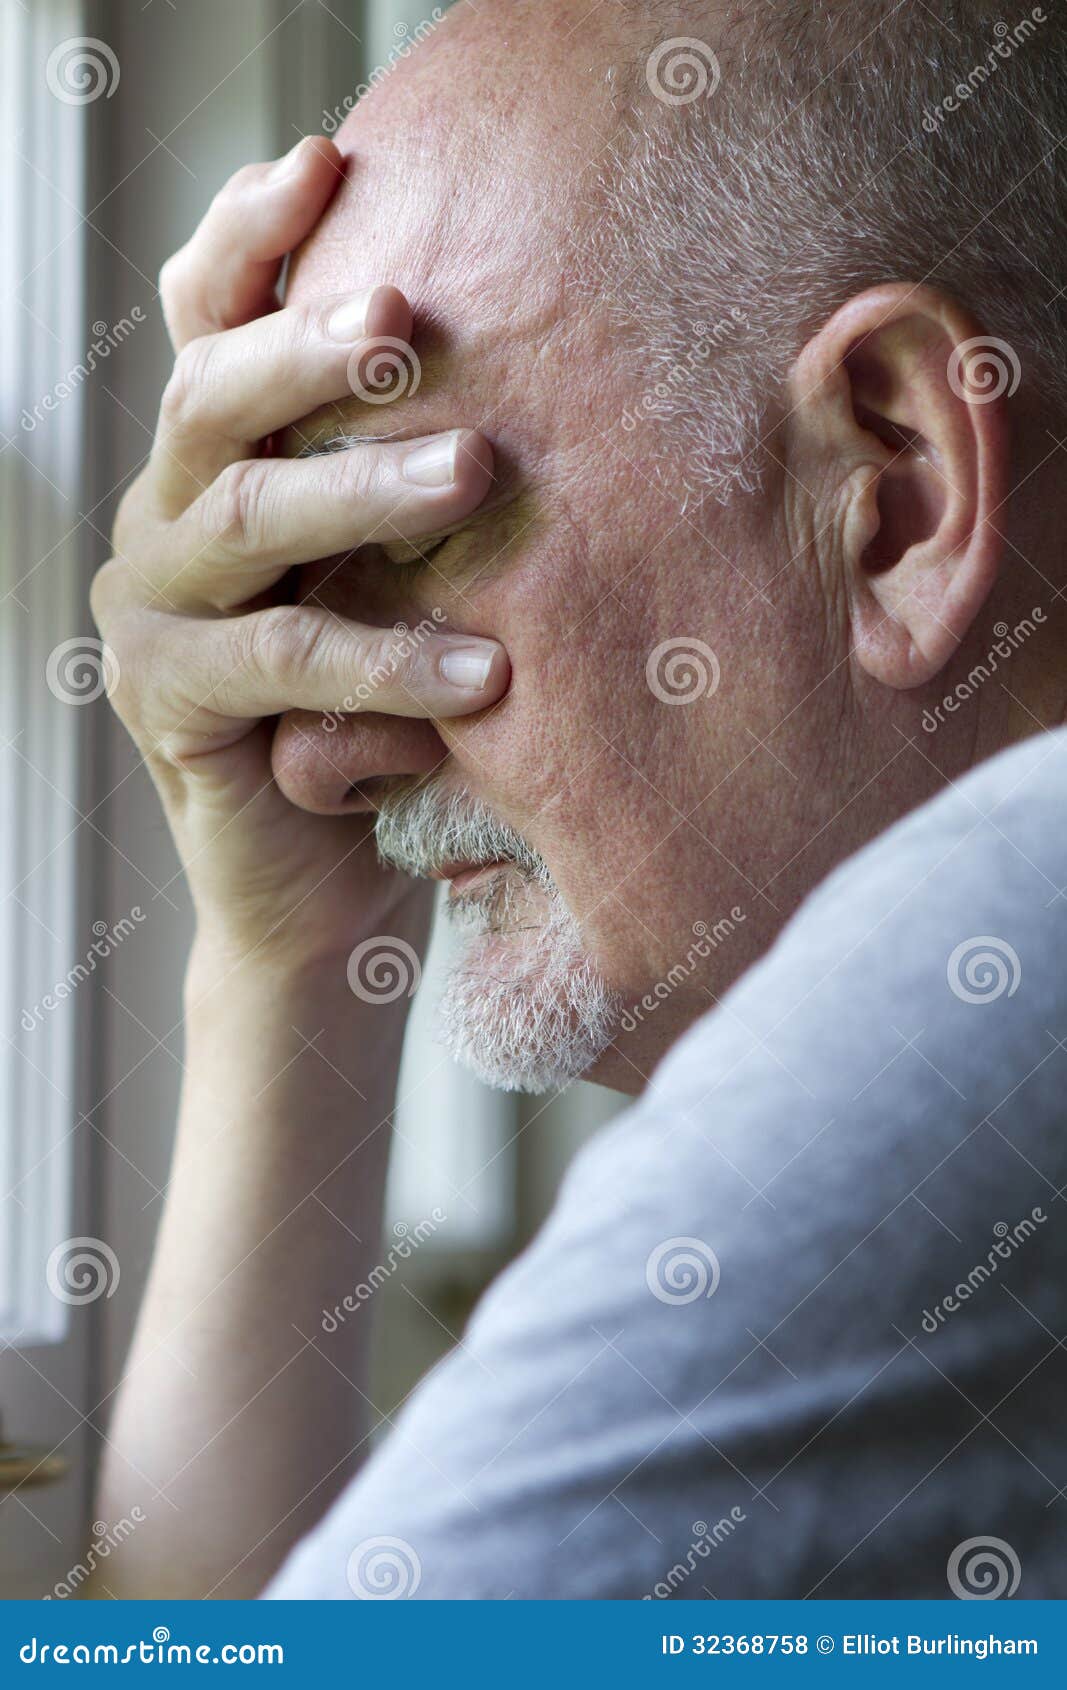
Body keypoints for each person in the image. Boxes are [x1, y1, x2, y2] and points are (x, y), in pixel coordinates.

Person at [88, 0, 1067, 1597]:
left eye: (406, 541)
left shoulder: (1013, 926)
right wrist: (293, 946)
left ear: (896, 487)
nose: (319, 753)